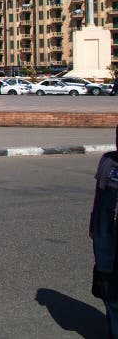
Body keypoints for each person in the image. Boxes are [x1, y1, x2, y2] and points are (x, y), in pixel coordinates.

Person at [91, 125, 118, 337]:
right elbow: (99, 194)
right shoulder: (108, 160)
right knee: (107, 281)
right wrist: (93, 223)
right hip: (105, 229)